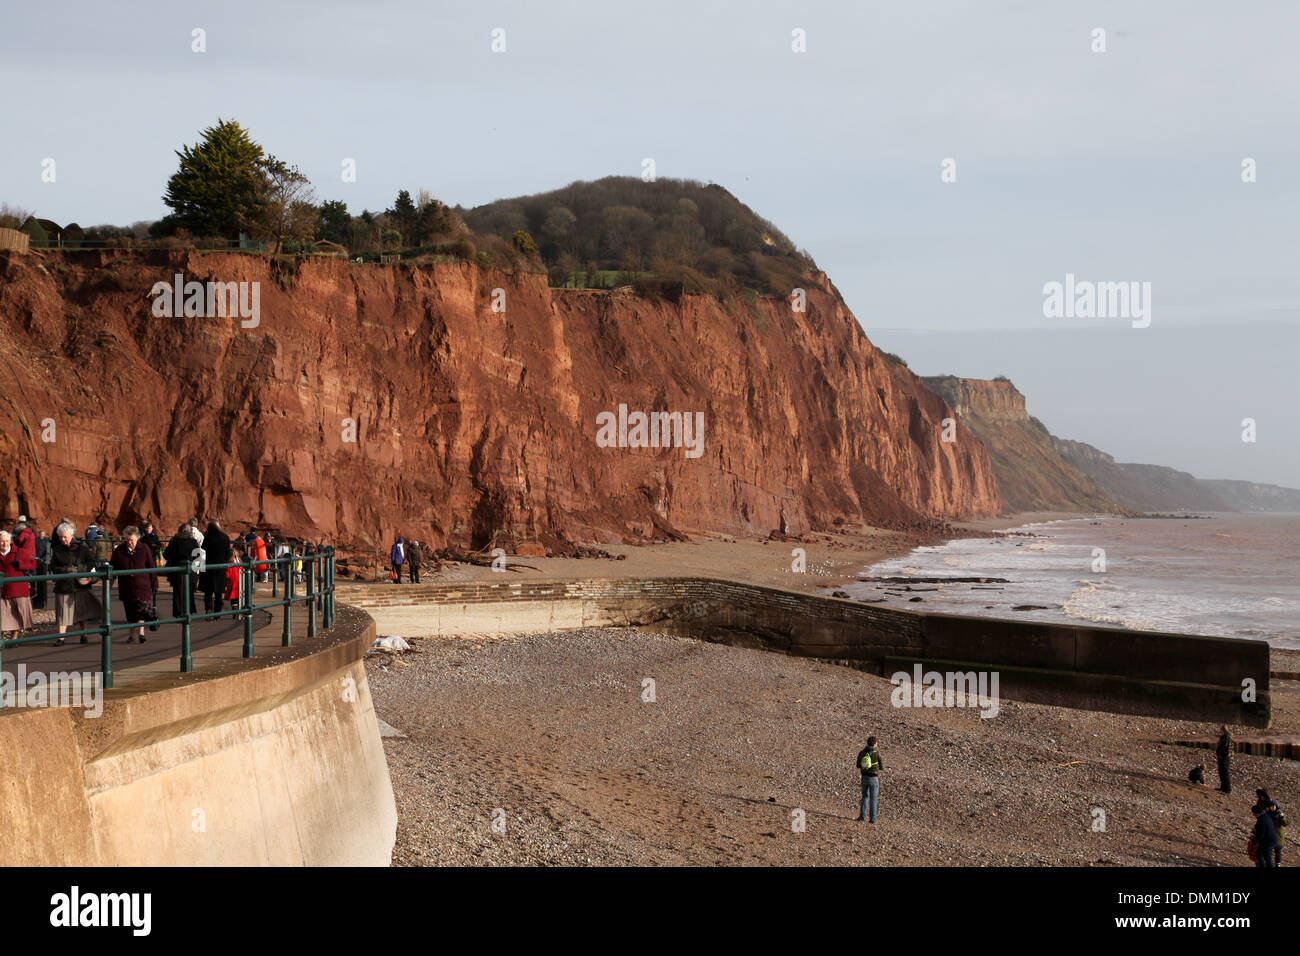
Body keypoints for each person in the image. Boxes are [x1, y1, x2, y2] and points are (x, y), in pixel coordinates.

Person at [49, 522, 98, 645]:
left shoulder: (83, 548)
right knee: (62, 612)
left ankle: (84, 634)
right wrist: (66, 570)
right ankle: (61, 638)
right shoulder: (57, 550)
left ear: (71, 535)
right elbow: (53, 567)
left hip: (80, 585)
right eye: (60, 537)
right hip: (63, 585)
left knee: (82, 612)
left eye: (64, 537)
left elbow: (91, 562)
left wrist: (78, 569)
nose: (62, 539)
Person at [110, 526, 158, 644]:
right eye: (127, 539)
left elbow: (151, 567)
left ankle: (144, 629)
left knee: (141, 608)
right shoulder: (119, 550)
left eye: (131, 539)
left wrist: (154, 584)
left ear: (137, 538)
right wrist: (109, 583)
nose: (129, 542)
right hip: (126, 587)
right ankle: (133, 635)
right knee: (131, 613)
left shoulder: (144, 548)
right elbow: (113, 567)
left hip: (142, 585)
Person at [0, 530, 35, 639]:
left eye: (6, 541)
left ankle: (14, 636)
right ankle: (3, 636)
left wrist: (20, 564)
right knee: (3, 615)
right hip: (2, 590)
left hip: (18, 589)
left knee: (17, 614)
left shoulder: (20, 552)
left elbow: (33, 564)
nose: (5, 544)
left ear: (10, 541)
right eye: (1, 542)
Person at [163, 523, 201, 619]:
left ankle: (178, 612)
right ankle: (189, 610)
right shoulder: (193, 541)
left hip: (177, 570)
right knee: (189, 591)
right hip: (190, 569)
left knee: (178, 592)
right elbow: (198, 555)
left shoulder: (175, 541)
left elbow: (166, 554)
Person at [201, 520, 231, 613]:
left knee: (208, 591)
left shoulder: (208, 537)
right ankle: (218, 611)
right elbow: (228, 553)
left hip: (209, 566)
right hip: (221, 567)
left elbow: (203, 549)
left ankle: (208, 608)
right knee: (219, 592)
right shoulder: (225, 537)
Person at [1255, 790, 1287, 867]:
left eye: (1273, 806)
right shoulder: (1267, 814)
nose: (1271, 808)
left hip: (1278, 835)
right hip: (1270, 834)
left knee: (1277, 851)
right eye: (1270, 806)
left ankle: (1277, 864)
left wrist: (1282, 817)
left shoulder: (1280, 814)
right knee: (1267, 852)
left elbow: (1286, 823)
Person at [855, 736, 884, 823]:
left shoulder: (862, 752)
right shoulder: (876, 753)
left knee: (864, 796)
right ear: (875, 743)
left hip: (864, 777)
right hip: (874, 778)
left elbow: (858, 765)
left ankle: (862, 816)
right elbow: (881, 766)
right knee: (873, 799)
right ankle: (873, 819)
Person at [1251, 803, 1279, 868]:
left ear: (1257, 813)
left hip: (1268, 841)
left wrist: (1254, 841)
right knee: (1259, 853)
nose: (1253, 814)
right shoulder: (1265, 816)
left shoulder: (1261, 820)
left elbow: (1261, 834)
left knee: (1267, 857)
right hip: (1271, 839)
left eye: (1254, 813)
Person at [32, 526, 50, 610]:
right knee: (37, 583)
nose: (41, 535)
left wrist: (44, 560)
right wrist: (36, 558)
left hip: (43, 564)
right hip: (37, 563)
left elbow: (48, 553)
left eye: (43, 534)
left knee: (43, 583)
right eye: (40, 534)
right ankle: (37, 603)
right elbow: (34, 550)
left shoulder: (47, 542)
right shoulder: (36, 541)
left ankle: (43, 603)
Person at [225, 545, 245, 610]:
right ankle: (239, 608)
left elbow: (227, 575)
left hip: (233, 582)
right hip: (241, 581)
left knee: (233, 598)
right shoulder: (240, 562)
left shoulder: (230, 563)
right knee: (240, 596)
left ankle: (234, 610)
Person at [1216, 725, 1233, 794]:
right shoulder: (1223, 737)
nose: (1219, 731)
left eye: (1220, 729)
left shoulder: (1227, 738)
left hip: (1225, 758)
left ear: (1223, 730)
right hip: (1222, 757)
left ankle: (1227, 789)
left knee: (1225, 773)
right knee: (1221, 772)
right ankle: (1223, 787)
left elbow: (1226, 750)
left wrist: (1222, 757)